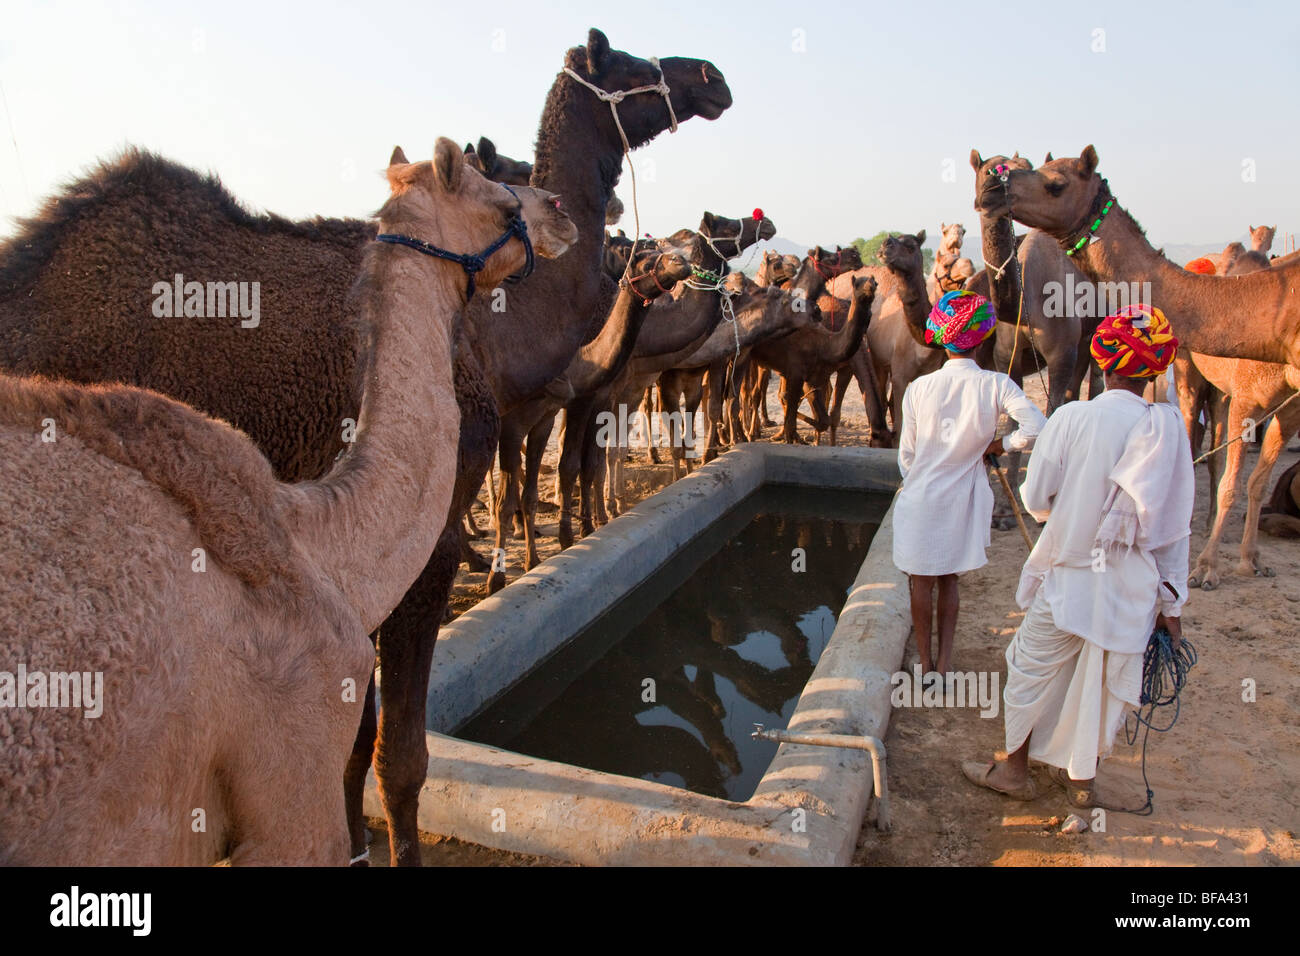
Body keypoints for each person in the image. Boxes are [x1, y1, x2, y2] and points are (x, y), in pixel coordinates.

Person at [963, 304, 1193, 810]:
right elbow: (1176, 529)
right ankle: (1081, 785)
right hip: (1133, 589)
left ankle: (1014, 771)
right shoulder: (1169, 431)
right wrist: (1171, 606)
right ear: (1152, 370)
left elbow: (1036, 496)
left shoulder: (1071, 418)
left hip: (1070, 579)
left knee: (1029, 669)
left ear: (1103, 361)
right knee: (1101, 684)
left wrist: (1063, 515)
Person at [892, 290, 1046, 676]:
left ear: (941, 338)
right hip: (965, 499)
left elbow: (907, 457)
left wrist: (922, 478)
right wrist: (1002, 444)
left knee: (921, 584)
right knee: (949, 580)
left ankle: (925, 665)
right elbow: (1036, 426)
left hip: (922, 500)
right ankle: (945, 665)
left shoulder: (918, 389)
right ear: (981, 339)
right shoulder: (996, 385)